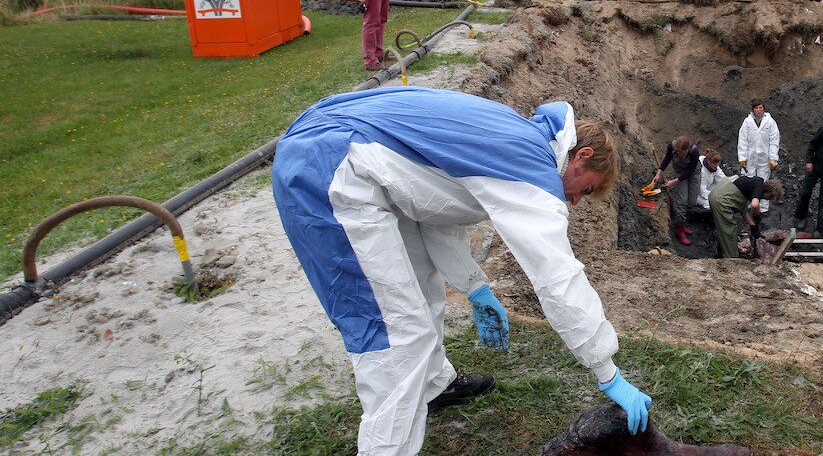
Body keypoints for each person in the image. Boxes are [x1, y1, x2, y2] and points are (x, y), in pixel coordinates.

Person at [272, 86, 652, 455]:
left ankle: (434, 385)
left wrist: (474, 287)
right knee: (395, 335)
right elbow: (558, 276)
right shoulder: (530, 163)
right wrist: (608, 371)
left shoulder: (514, 135)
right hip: (329, 166)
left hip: (345, 151)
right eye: (585, 189)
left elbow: (435, 207)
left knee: (421, 288)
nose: (574, 200)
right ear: (580, 156)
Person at [708, 175, 784, 259]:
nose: (766, 200)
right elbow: (755, 205)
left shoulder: (753, 184)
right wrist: (756, 216)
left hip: (717, 195)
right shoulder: (759, 188)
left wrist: (752, 225)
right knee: (729, 231)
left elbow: (743, 210)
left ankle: (720, 254)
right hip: (721, 201)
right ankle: (732, 260)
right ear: (770, 192)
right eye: (769, 198)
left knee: (723, 230)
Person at [650, 135, 702, 245]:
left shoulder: (695, 151)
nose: (679, 155)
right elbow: (667, 158)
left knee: (692, 201)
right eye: (677, 152)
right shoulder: (671, 146)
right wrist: (659, 173)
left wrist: (674, 182)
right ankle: (680, 229)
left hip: (693, 173)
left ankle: (683, 223)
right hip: (680, 171)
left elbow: (690, 171)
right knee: (682, 201)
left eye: (682, 153)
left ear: (687, 149)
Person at [736, 99, 780, 213]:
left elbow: (774, 140)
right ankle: (751, 203)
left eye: (760, 108)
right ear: (753, 109)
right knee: (750, 179)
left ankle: (764, 207)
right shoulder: (747, 122)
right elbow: (742, 140)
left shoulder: (770, 122)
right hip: (751, 157)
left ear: (764, 108)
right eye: (756, 108)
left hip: (764, 158)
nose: (758, 110)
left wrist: (773, 158)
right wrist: (742, 157)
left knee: (764, 181)